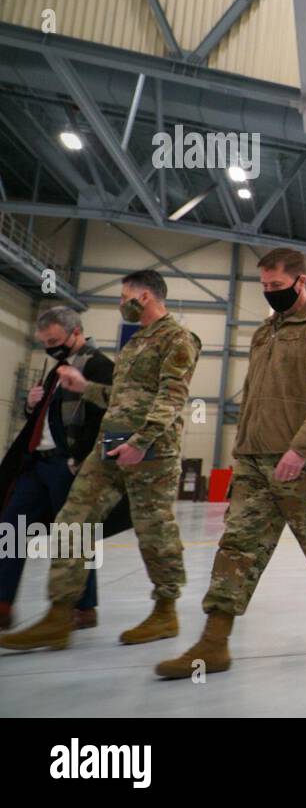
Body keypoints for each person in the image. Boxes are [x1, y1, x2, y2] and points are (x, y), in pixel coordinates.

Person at [156, 248, 306, 679]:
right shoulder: (265, 332)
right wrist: (242, 449)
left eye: (276, 286)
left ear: (300, 280)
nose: (269, 294)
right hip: (256, 462)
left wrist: (300, 450)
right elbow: (255, 392)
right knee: (238, 546)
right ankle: (214, 642)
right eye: (264, 287)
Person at [0, 272, 200, 652]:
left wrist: (141, 442)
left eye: (125, 296)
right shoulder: (135, 343)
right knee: (71, 522)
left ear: (144, 296)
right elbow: (120, 398)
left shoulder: (178, 338)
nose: (122, 302)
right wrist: (84, 388)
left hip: (151, 453)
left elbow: (172, 399)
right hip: (109, 447)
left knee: (154, 531)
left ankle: (165, 610)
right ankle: (60, 615)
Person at [0, 308, 116, 630]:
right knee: (10, 528)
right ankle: (3, 602)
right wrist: (30, 404)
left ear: (75, 332)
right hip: (37, 463)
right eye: (45, 343)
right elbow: (47, 419)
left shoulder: (99, 366)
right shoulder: (57, 368)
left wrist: (79, 459)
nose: (50, 347)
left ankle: (84, 606)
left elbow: (106, 415)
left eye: (54, 341)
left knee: (73, 536)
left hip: (67, 465)